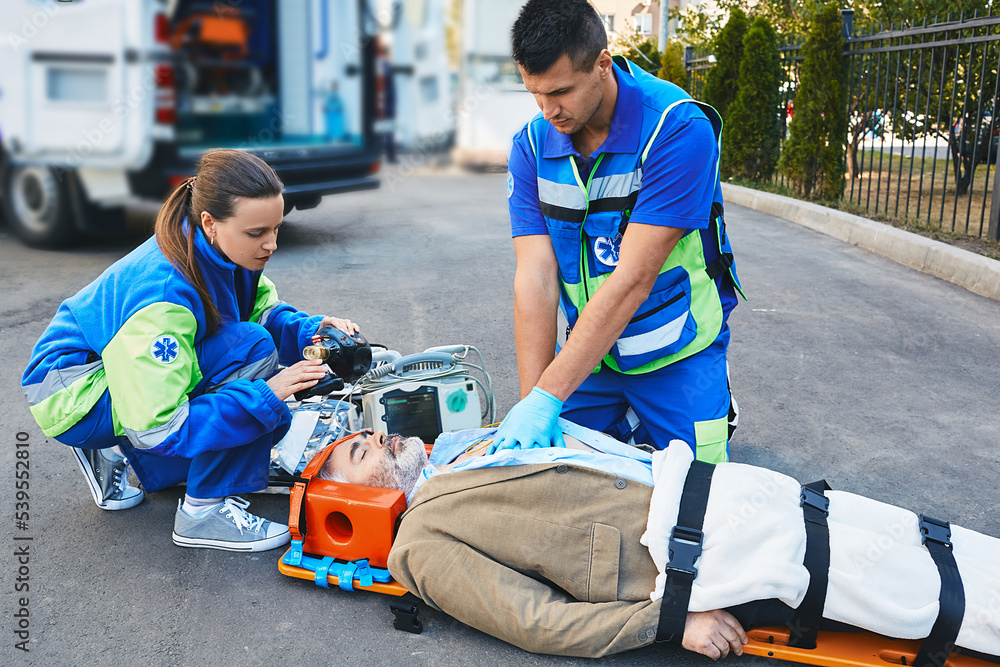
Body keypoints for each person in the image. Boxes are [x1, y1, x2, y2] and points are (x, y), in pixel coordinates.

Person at [317, 426, 1000, 660]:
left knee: (912, 536)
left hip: (710, 488)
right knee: (914, 592)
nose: (377, 436)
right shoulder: (420, 539)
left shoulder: (457, 451)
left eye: (365, 434)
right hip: (692, 550)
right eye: (359, 452)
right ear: (349, 499)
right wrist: (672, 620)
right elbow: (531, 619)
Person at [22, 149, 360, 552]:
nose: (271, 244)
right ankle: (202, 512)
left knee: (255, 369)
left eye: (276, 228)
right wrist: (267, 394)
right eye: (257, 233)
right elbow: (159, 428)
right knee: (253, 364)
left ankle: (114, 453)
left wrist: (312, 332)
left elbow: (259, 311)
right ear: (210, 223)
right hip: (74, 396)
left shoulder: (220, 247)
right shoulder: (163, 299)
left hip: (99, 368)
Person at [496, 0, 744, 463]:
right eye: (536, 93)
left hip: (678, 353)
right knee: (549, 474)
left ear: (602, 65)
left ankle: (710, 402)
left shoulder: (677, 128)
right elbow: (535, 278)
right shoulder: (530, 146)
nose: (548, 111)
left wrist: (549, 397)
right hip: (591, 356)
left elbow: (633, 278)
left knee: (701, 489)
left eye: (561, 91)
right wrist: (533, 403)